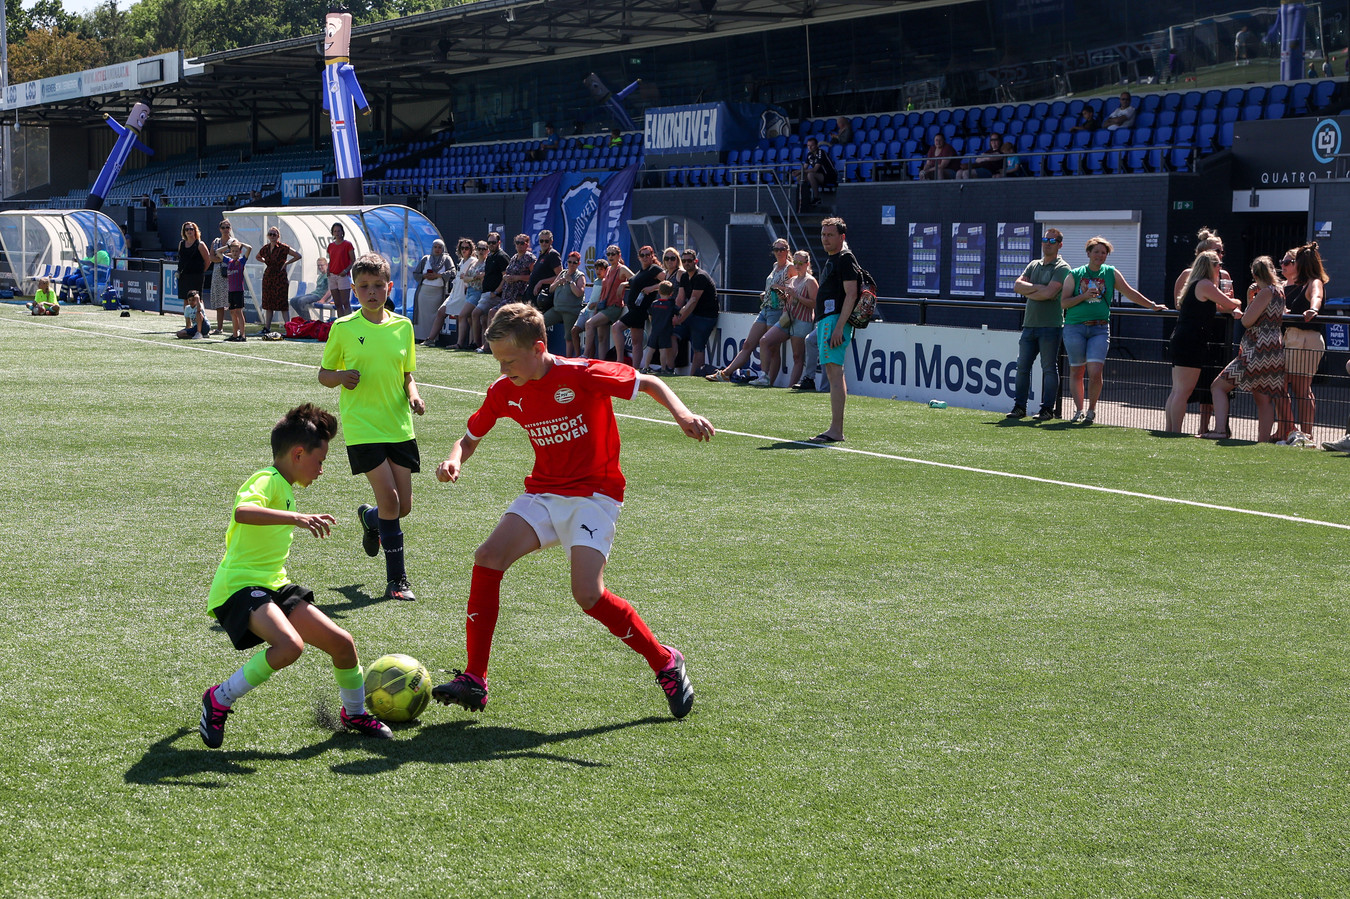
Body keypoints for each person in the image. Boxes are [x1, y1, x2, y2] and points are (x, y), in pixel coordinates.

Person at [430, 302, 711, 718]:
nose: (504, 370)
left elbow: (649, 382)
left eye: (510, 360)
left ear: (539, 347)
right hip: (543, 493)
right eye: (498, 361)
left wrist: (683, 415)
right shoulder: (505, 390)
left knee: (587, 594)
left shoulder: (580, 373)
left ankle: (665, 662)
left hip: (595, 495)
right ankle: (475, 678)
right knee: (487, 558)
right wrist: (454, 459)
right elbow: (469, 438)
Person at [198, 403, 392, 749]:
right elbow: (243, 511)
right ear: (298, 453)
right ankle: (219, 698)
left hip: (273, 585)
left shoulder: (285, 487)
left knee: (343, 645)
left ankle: (354, 712)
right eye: (320, 462)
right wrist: (297, 518)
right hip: (239, 587)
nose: (321, 471)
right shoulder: (267, 479)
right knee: (289, 646)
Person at [318, 253, 425, 602]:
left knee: (402, 507)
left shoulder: (402, 327)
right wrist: (340, 377)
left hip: (398, 425)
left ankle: (371, 519)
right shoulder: (343, 328)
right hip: (363, 427)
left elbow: (407, 373)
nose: (372, 292)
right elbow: (324, 375)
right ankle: (398, 581)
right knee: (392, 500)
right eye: (364, 286)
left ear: (389, 286)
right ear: (354, 290)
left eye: (378, 285)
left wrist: (413, 394)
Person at [1060, 236, 1167, 424]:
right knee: (1076, 371)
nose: (1100, 256)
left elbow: (1129, 292)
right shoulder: (1075, 274)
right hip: (1074, 327)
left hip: (1099, 328)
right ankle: (1078, 410)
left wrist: (1152, 305)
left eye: (1104, 253)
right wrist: (1084, 296)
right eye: (1096, 252)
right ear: (1088, 253)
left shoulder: (1110, 273)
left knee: (1095, 371)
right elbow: (1064, 302)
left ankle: (1091, 410)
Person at [1204, 256, 1286, 441]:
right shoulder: (1279, 291)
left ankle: (1219, 430)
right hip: (1274, 347)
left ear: (1255, 274)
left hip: (1256, 348)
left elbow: (1247, 320)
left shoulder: (1265, 292)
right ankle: (1263, 440)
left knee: (1218, 386)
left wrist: (1250, 299)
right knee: (1264, 398)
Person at [1163, 250, 1240, 434]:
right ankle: (1175, 432)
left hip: (1182, 339)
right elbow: (1230, 303)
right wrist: (1234, 302)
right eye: (1218, 265)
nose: (1220, 269)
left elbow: (1219, 305)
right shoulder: (1205, 284)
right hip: (1191, 341)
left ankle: (1170, 430)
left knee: (1177, 390)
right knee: (1183, 391)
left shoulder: (1194, 284)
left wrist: (1229, 305)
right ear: (1211, 266)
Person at [706, 239, 792, 384]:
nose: (779, 252)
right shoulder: (775, 266)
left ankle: (768, 380)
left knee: (773, 348)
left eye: (782, 249)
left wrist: (780, 289)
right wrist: (766, 293)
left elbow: (793, 289)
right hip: (765, 308)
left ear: (787, 251)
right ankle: (726, 373)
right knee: (748, 344)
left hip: (778, 310)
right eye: (776, 249)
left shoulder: (790, 268)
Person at [807, 217, 862, 443]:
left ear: (842, 237)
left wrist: (839, 327)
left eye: (830, 235)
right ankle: (835, 429)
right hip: (827, 320)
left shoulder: (845, 258)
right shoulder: (834, 259)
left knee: (835, 373)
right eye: (823, 234)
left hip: (834, 321)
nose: (825, 239)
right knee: (832, 373)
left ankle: (836, 430)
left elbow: (851, 293)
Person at [1007, 228, 1072, 421]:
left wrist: (1031, 291)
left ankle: (1047, 410)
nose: (1047, 243)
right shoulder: (1033, 264)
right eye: (1045, 239)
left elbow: (1050, 294)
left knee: (1049, 368)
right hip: (1029, 325)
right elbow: (1017, 286)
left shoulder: (1062, 267)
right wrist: (1038, 288)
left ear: (1060, 244)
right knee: (1022, 367)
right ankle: (1020, 407)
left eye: (1052, 240)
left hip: (1051, 326)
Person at [1276, 242, 1329, 444]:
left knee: (1301, 388)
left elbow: (1317, 296)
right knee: (1279, 385)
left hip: (1305, 338)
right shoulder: (1286, 286)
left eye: (1289, 261)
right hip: (1289, 338)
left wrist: (1313, 309)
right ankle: (1288, 429)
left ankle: (1305, 435)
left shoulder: (1313, 282)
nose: (1284, 264)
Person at [758, 250, 817, 390]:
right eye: (795, 262)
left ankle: (791, 386)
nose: (797, 265)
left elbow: (814, 304)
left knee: (797, 356)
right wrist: (783, 296)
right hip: (787, 318)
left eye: (800, 263)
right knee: (765, 341)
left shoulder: (810, 281)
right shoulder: (792, 280)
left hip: (802, 320)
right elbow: (790, 299)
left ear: (807, 264)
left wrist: (796, 297)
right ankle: (764, 377)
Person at [612, 245, 664, 370]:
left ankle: (619, 361)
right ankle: (635, 369)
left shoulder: (654, 269)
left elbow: (667, 282)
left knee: (616, 328)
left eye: (648, 255)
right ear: (639, 257)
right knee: (636, 342)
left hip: (640, 309)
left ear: (652, 256)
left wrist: (652, 288)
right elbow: (635, 280)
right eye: (642, 255)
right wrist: (624, 284)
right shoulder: (642, 271)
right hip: (634, 308)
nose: (645, 257)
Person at [672, 249, 719, 377]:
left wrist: (679, 319)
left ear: (695, 261)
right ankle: (670, 368)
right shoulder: (684, 277)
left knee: (698, 347)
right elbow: (680, 298)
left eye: (689, 261)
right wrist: (674, 314)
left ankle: (694, 376)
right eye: (684, 261)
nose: (687, 263)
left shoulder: (700, 276)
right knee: (671, 335)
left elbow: (693, 301)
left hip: (705, 316)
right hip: (691, 315)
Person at [585, 245, 631, 360]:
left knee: (589, 324)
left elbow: (636, 279)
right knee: (601, 337)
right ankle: (602, 363)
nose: (610, 256)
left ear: (619, 255)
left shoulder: (622, 269)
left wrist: (624, 284)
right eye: (608, 254)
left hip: (614, 307)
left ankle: (585, 355)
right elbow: (604, 290)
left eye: (613, 254)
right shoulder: (609, 269)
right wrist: (597, 307)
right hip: (603, 306)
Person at [642, 248, 684, 374]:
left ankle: (662, 367)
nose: (670, 261)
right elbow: (664, 285)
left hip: (666, 318)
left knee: (656, 347)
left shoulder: (680, 273)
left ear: (677, 259)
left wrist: (676, 315)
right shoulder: (666, 274)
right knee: (663, 348)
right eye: (667, 258)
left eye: (673, 258)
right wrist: (652, 287)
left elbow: (681, 295)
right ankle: (665, 368)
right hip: (666, 318)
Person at [256, 227, 301, 340]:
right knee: (268, 303)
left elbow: (297, 255)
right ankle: (267, 327)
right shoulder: (265, 248)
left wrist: (286, 263)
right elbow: (257, 256)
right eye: (270, 234)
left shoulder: (283, 247)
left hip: (280, 277)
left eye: (274, 235)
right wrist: (265, 261)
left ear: (278, 236)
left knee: (282, 304)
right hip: (269, 276)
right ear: (267, 236)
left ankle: (288, 328)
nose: (272, 236)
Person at [471, 232, 511, 352]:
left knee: (476, 313)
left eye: (494, 242)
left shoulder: (501, 256)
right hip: (486, 292)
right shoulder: (490, 257)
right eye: (489, 243)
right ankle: (482, 345)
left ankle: (480, 344)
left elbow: (506, 276)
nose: (491, 245)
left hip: (494, 295)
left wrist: (497, 291)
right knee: (483, 320)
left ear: (499, 243)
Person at [415, 238, 458, 347]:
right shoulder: (426, 259)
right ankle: (420, 338)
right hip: (424, 292)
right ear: (432, 248)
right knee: (422, 316)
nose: (437, 249)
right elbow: (416, 273)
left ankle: (432, 338)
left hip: (438, 292)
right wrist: (425, 276)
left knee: (435, 315)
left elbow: (453, 272)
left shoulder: (446, 259)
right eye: (435, 247)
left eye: (440, 247)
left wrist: (438, 275)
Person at [544, 250, 588, 356]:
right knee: (540, 323)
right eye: (570, 262)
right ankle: (542, 353)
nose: (571, 264)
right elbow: (551, 289)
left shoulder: (580, 276)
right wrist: (558, 282)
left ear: (578, 263)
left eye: (574, 262)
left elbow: (579, 293)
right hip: (557, 309)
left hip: (571, 310)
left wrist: (570, 281)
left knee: (568, 337)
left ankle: (568, 359)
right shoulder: (562, 273)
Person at [454, 241, 489, 350]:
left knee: (463, 315)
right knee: (469, 318)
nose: (481, 251)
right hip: (469, 290)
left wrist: (471, 278)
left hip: (478, 291)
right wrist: (475, 277)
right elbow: (464, 278)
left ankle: (461, 343)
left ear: (487, 250)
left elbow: (482, 277)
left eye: (484, 249)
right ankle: (471, 343)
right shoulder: (474, 263)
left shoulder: (486, 263)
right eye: (479, 249)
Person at [572, 257, 608, 355]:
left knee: (590, 337)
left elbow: (607, 299)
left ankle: (588, 358)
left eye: (601, 269)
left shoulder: (607, 281)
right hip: (587, 310)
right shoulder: (596, 280)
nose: (598, 271)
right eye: (597, 269)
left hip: (596, 311)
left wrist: (597, 304)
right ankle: (578, 356)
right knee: (574, 331)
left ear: (606, 270)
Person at [177, 222, 212, 325]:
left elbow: (208, 260)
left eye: (191, 229)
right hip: (184, 276)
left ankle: (202, 322)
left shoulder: (200, 244)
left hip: (196, 276)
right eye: (187, 229)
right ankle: (188, 324)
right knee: (186, 300)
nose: (189, 231)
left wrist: (201, 271)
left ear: (195, 230)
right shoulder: (181, 244)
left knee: (198, 299)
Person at [221, 238, 254, 343]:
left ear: (239, 252)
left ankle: (243, 335)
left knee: (239, 312)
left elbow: (250, 248)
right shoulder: (229, 261)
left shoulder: (241, 261)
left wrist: (240, 244)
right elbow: (218, 252)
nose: (234, 253)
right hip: (231, 291)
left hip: (238, 291)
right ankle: (235, 334)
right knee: (232, 312)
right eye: (233, 251)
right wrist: (229, 246)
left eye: (236, 251)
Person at [526, 230, 562, 313]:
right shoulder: (542, 254)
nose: (544, 243)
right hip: (533, 295)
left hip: (543, 297)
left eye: (546, 241)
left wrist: (541, 282)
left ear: (551, 241)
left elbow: (560, 276)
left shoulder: (552, 254)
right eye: (541, 241)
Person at [209, 220, 235, 333]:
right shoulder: (216, 241)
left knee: (233, 303)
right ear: (220, 229)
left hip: (231, 273)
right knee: (219, 303)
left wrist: (219, 256)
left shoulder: (234, 241)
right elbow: (211, 258)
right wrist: (225, 256)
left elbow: (236, 255)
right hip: (218, 274)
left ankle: (236, 328)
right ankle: (219, 328)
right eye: (223, 227)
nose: (225, 229)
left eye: (227, 227)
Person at [326, 222, 357, 318]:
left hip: (342, 276)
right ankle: (340, 322)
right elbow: (331, 259)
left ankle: (348, 321)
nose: (337, 233)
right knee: (337, 303)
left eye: (339, 231)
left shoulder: (347, 244)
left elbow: (353, 260)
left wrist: (346, 270)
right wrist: (328, 269)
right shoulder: (331, 246)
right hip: (332, 275)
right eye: (335, 231)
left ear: (342, 232)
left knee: (345, 302)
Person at [797, 137, 835, 209]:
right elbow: (804, 168)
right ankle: (804, 198)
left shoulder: (821, 152)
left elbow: (815, 169)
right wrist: (798, 172)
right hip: (819, 176)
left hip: (829, 175)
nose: (810, 147)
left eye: (812, 145)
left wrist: (800, 171)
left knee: (811, 175)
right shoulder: (809, 155)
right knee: (800, 177)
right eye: (808, 146)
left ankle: (816, 198)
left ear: (816, 145)